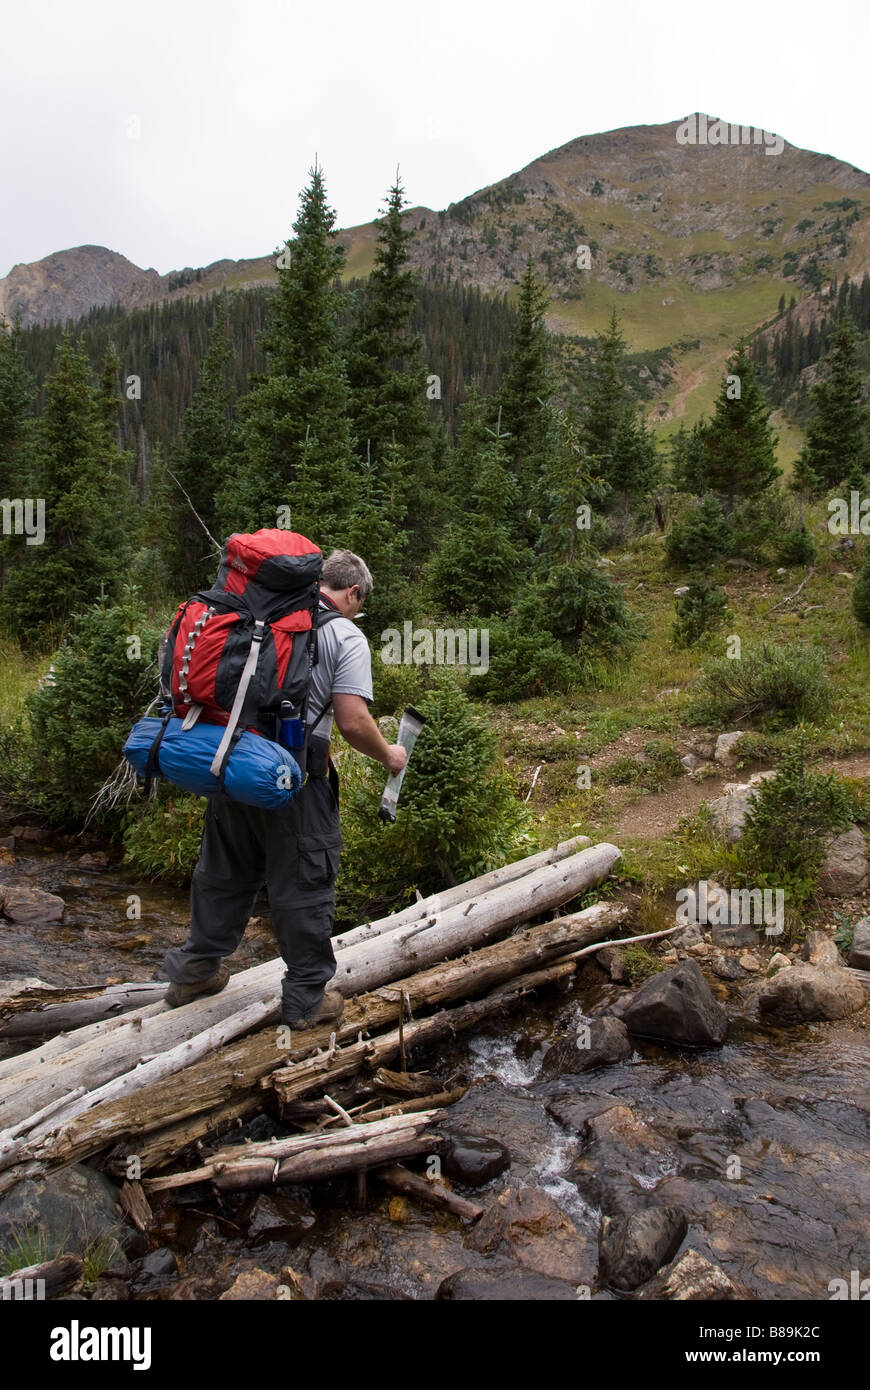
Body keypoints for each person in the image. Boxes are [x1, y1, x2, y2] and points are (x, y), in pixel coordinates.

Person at [160, 549, 407, 1027]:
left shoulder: (248, 618)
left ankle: (192, 974)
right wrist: (390, 755)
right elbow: (354, 723)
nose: (358, 611)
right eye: (360, 602)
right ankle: (306, 1000)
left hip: (232, 769)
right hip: (296, 779)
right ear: (352, 592)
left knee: (224, 873)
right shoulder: (343, 634)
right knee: (305, 883)